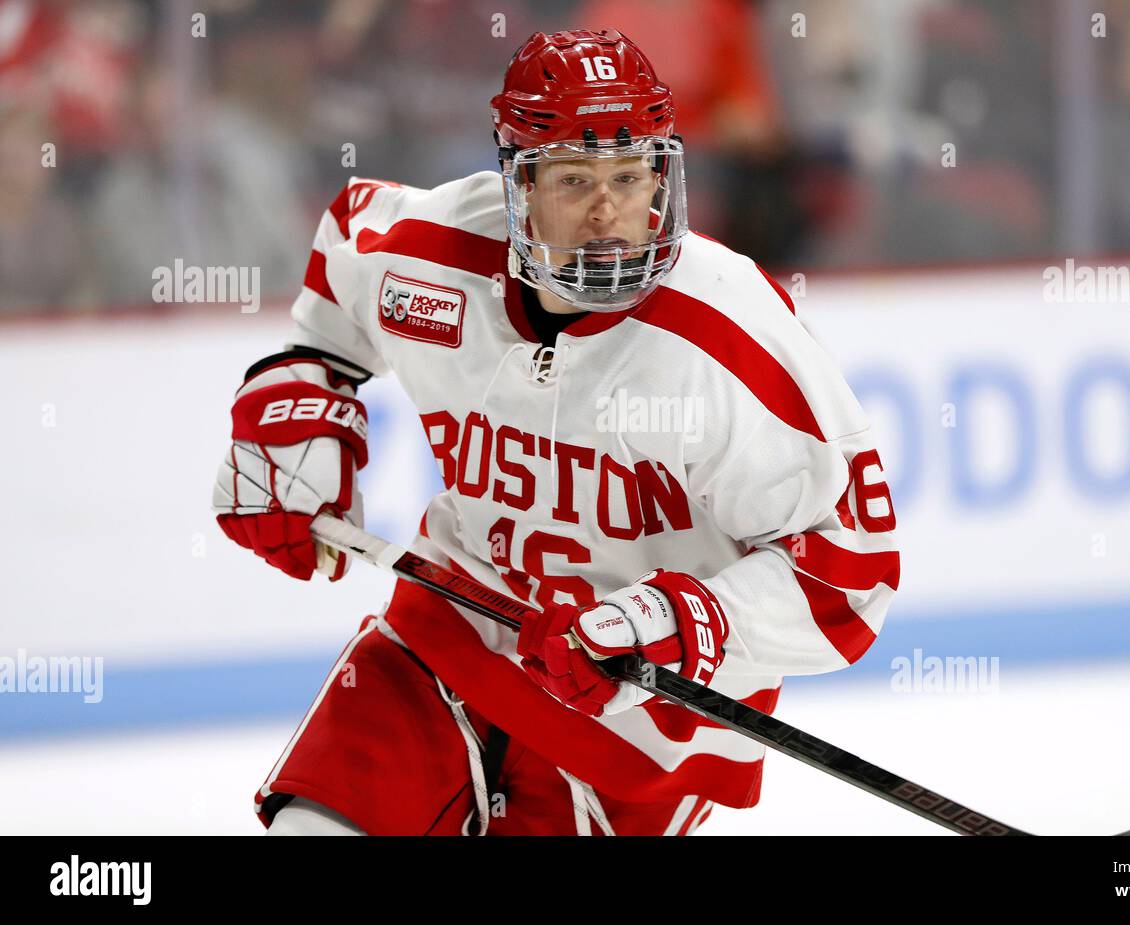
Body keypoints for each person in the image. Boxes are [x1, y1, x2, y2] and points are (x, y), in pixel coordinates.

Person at [211, 28, 900, 836]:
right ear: (519, 185)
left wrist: (672, 624)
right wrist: (301, 392)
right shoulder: (443, 251)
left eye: (631, 175)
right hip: (445, 642)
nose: (610, 211)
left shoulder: (730, 335)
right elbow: (345, 254)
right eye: (575, 179)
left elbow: (849, 577)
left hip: (635, 732)